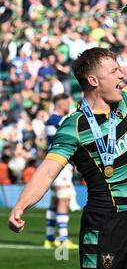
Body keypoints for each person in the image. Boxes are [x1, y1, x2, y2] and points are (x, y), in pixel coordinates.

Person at [9, 47, 127, 269]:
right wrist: (20, 206)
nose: (120, 75)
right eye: (114, 71)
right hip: (105, 222)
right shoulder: (73, 126)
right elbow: (47, 171)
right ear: (94, 80)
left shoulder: (121, 105)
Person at [43, 93, 78, 249]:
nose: (69, 106)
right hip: (60, 164)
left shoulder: (54, 120)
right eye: (67, 103)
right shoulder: (56, 120)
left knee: (56, 200)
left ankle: (49, 237)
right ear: (59, 103)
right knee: (64, 199)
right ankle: (63, 239)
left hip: (57, 164)